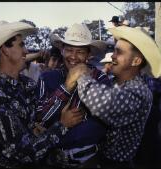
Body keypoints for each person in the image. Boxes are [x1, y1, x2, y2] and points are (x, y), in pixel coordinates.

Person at [0, 21, 84, 168]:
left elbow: (41, 118)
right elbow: (24, 153)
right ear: (5, 50)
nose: (26, 51)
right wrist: (62, 125)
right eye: (21, 45)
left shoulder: (26, 84)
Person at [66, 26, 161, 168]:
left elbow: (102, 104)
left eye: (119, 52)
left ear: (136, 61)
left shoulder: (139, 92)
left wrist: (82, 74)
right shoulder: (111, 82)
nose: (112, 56)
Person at [36, 23, 111, 168]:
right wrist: (68, 85)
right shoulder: (47, 77)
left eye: (80, 52)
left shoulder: (100, 79)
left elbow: (103, 123)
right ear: (62, 50)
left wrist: (58, 129)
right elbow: (40, 117)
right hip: (51, 161)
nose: (73, 56)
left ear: (89, 55)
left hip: (88, 160)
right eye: (69, 50)